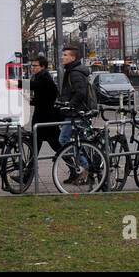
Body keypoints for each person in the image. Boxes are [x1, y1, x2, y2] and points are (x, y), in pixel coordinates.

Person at [57, 45, 93, 183]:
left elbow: (80, 92)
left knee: (63, 140)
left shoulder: (75, 73)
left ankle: (86, 167)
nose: (62, 57)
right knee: (81, 142)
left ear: (73, 57)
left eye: (65, 55)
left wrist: (70, 105)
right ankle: (88, 169)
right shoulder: (71, 70)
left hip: (76, 113)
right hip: (76, 112)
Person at [29, 53, 61, 154]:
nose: (32, 68)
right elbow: (43, 97)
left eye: (35, 66)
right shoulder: (40, 76)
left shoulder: (45, 78)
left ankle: (74, 165)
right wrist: (32, 101)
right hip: (43, 118)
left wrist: (17, 83)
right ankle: (30, 168)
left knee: (55, 145)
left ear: (42, 67)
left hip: (46, 118)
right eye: (32, 66)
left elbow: (35, 86)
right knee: (36, 145)